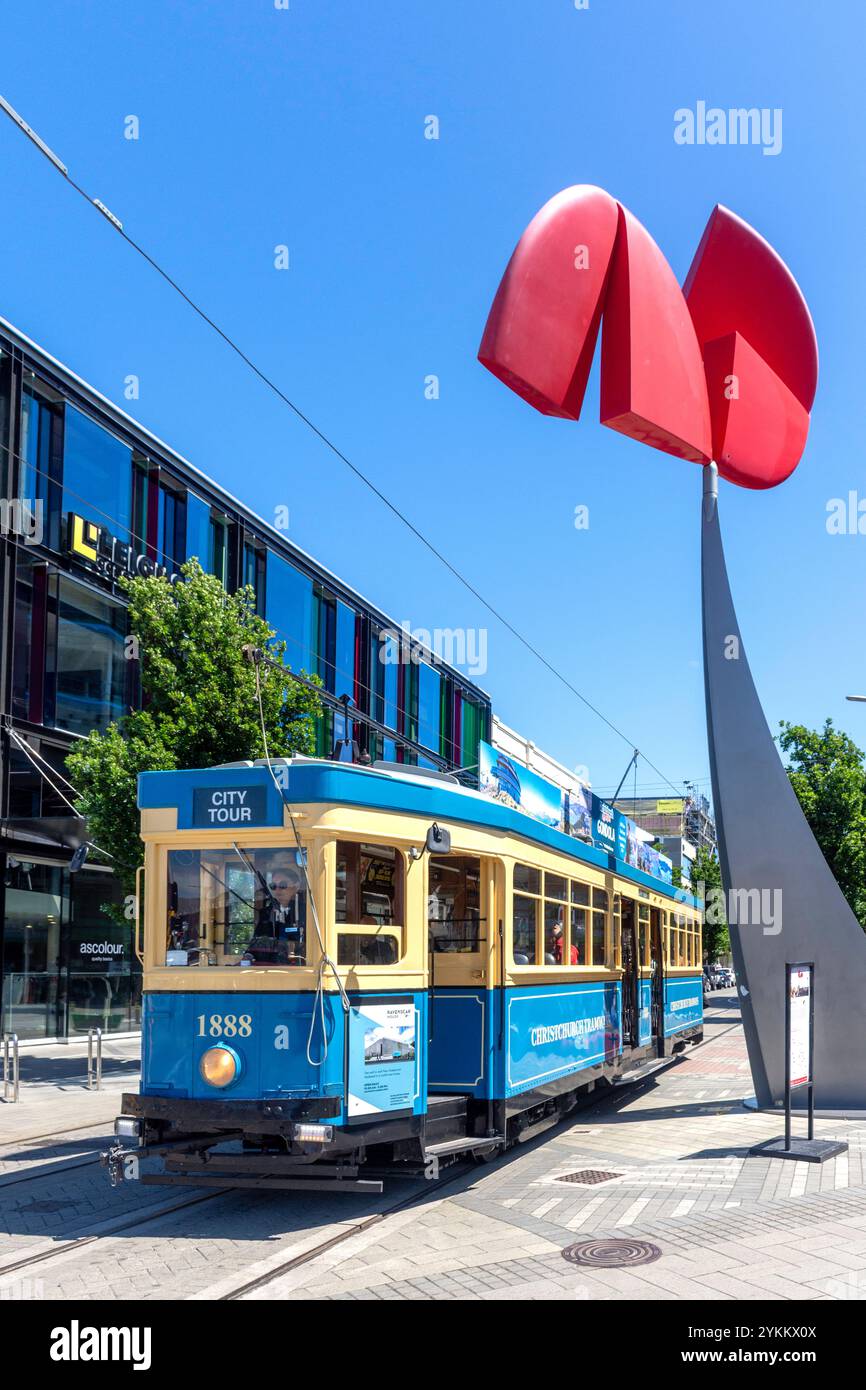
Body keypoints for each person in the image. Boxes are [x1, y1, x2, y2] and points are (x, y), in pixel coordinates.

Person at [242, 853, 307, 965]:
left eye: (282, 885)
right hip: (269, 970)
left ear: (295, 887)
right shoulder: (266, 913)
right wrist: (248, 955)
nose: (277, 890)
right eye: (273, 886)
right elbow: (257, 941)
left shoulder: (307, 912)